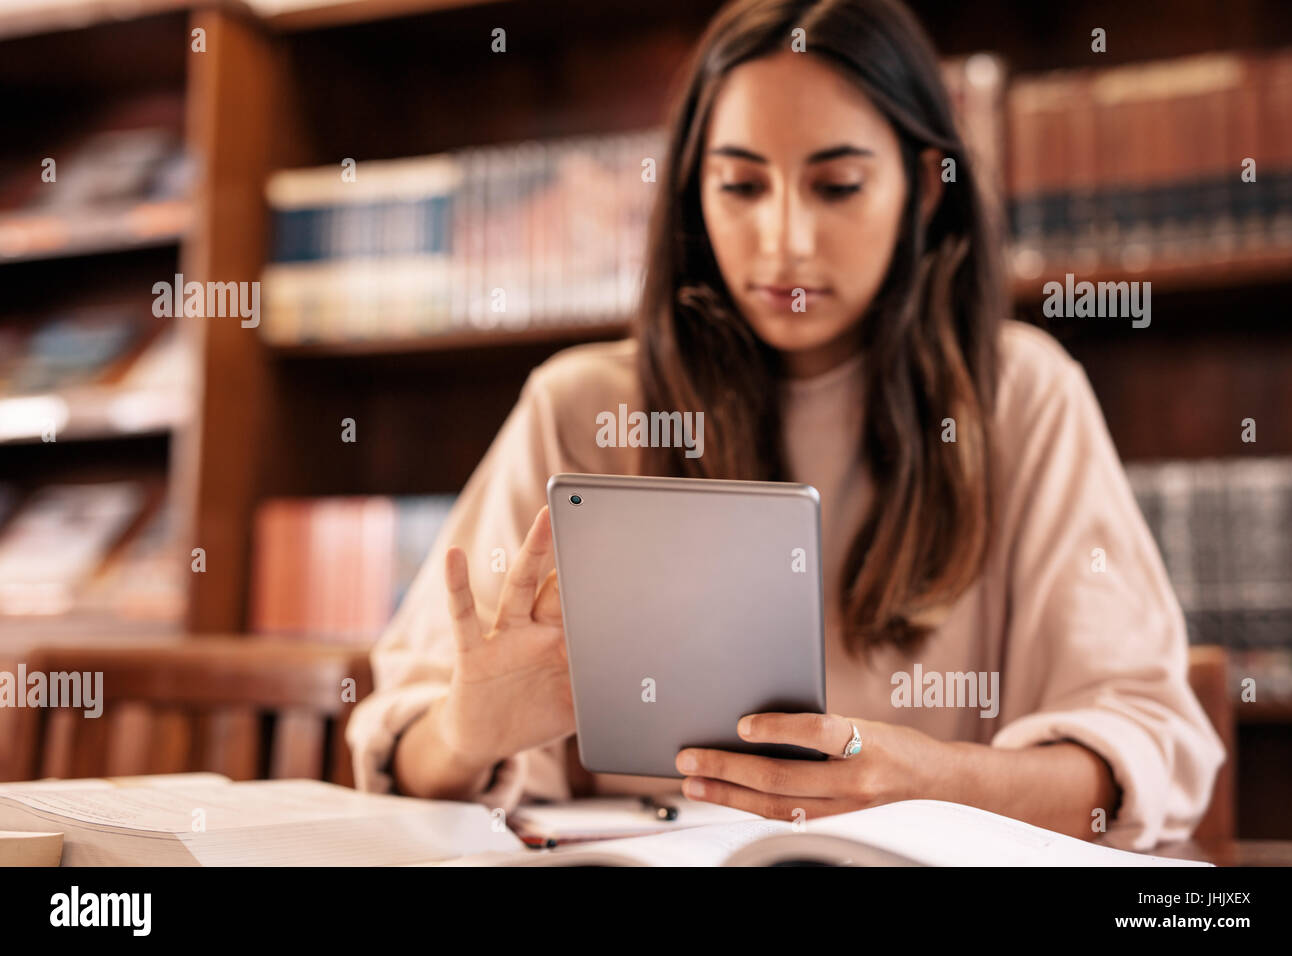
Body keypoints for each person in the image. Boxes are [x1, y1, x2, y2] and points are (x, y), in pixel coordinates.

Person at [346, 0, 1224, 851]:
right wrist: (466, 733)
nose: (786, 241)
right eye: (740, 184)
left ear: (924, 188)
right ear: (694, 191)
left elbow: (1137, 762)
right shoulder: (577, 406)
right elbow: (403, 758)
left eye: (837, 185)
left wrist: (932, 781)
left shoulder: (1021, 395)